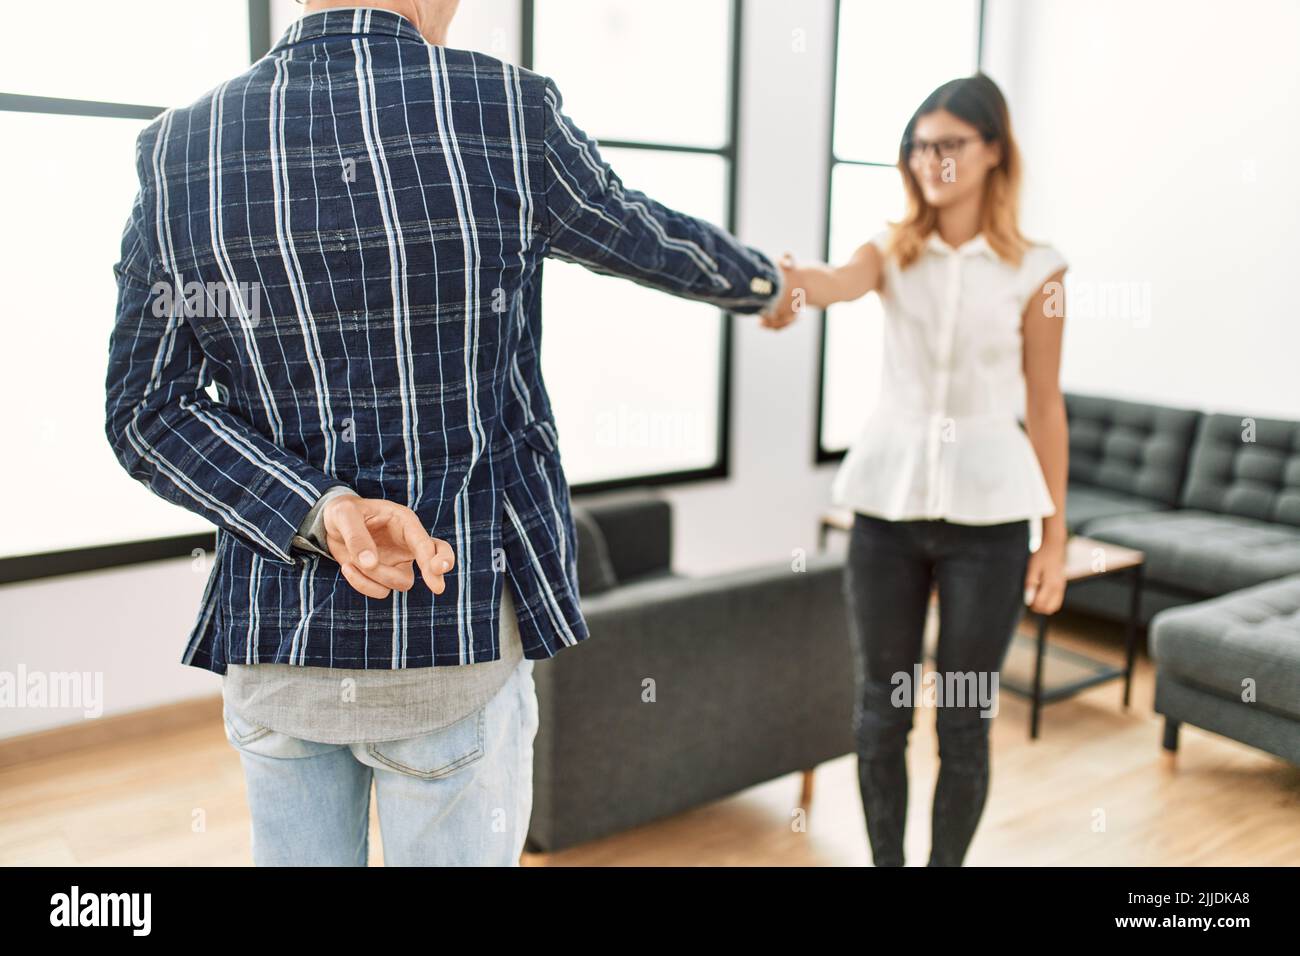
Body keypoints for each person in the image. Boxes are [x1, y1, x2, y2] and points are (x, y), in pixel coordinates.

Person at [104, 0, 783, 866]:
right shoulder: (502, 109)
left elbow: (145, 411)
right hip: (448, 636)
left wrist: (323, 509)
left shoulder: (180, 148)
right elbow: (645, 237)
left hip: (277, 646)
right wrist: (769, 284)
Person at [761, 73, 1069, 866]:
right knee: (879, 713)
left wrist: (1055, 536)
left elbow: (1044, 406)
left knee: (964, 719)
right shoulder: (890, 252)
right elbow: (830, 283)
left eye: (951, 143)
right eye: (921, 145)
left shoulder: (1039, 271)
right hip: (886, 514)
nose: (934, 159)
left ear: (994, 150)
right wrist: (785, 282)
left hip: (992, 522)